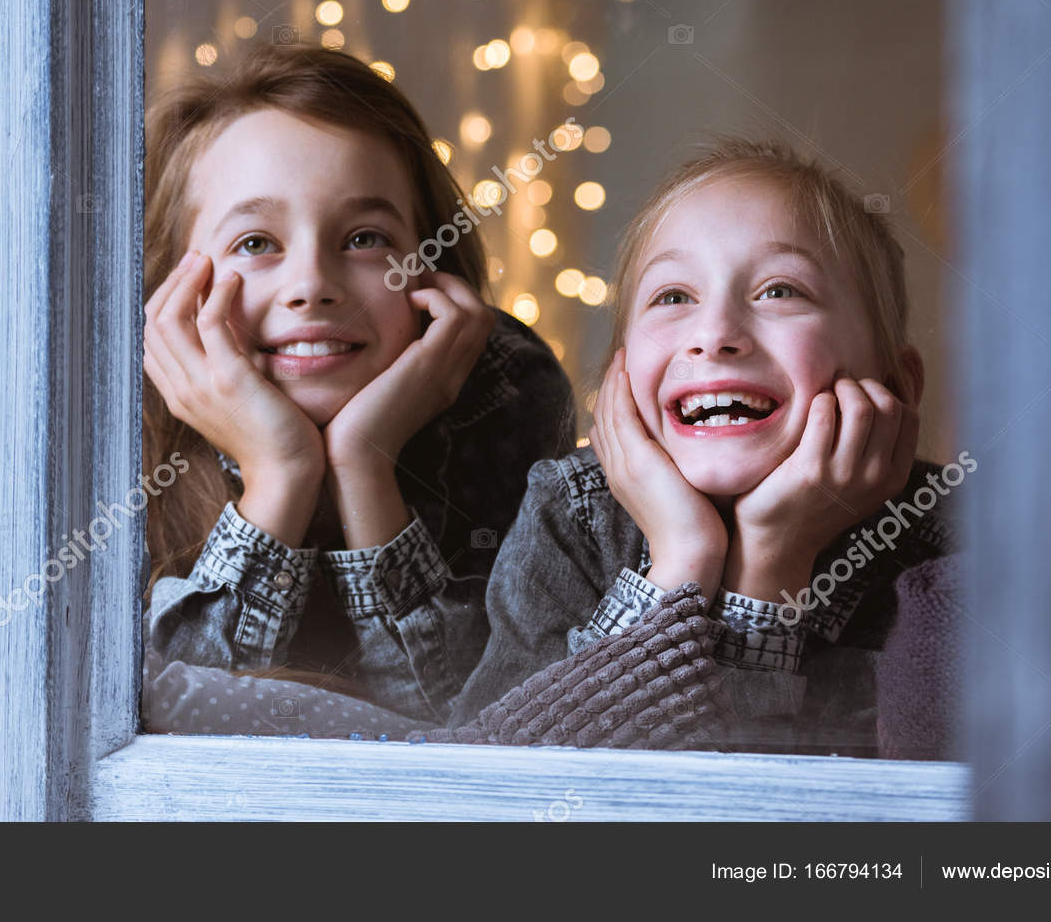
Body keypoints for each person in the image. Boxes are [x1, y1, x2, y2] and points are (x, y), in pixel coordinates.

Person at [442, 136, 958, 755]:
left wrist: (772, 557)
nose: (714, 336)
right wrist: (681, 565)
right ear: (620, 379)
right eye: (673, 297)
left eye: (779, 291)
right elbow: (500, 781)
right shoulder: (570, 514)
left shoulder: (951, 551)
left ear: (894, 385)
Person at [141, 44, 576, 724]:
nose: (311, 285)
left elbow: (476, 733)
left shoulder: (506, 392)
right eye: (256, 243)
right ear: (176, 285)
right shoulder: (111, 415)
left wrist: (365, 465)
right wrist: (279, 473)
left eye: (365, 238)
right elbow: (159, 723)